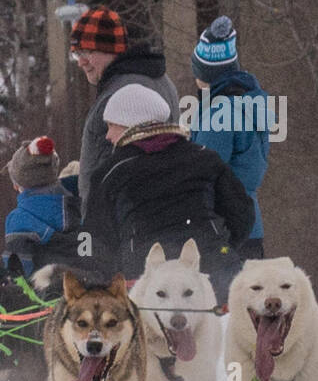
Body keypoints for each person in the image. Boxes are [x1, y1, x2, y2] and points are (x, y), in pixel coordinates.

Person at [81, 85, 254, 300]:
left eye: (111, 126)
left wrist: (93, 279)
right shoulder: (205, 158)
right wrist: (224, 248)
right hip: (216, 275)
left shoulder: (110, 173)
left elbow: (92, 237)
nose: (107, 136)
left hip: (146, 286)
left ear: (129, 125)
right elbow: (243, 214)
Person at [69, 7, 179, 217]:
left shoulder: (120, 99)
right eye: (77, 54)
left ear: (110, 50)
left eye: (87, 52)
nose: (81, 62)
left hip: (124, 227)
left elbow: (108, 173)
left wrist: (96, 228)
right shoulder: (163, 82)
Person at [188, 15, 270, 261]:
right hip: (250, 225)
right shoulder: (249, 103)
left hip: (224, 230)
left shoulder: (220, 114)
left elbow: (203, 174)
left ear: (207, 73)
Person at [2, 137, 73, 277]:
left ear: (18, 186)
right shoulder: (77, 208)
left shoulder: (18, 219)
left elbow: (18, 272)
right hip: (80, 289)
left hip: (43, 292)